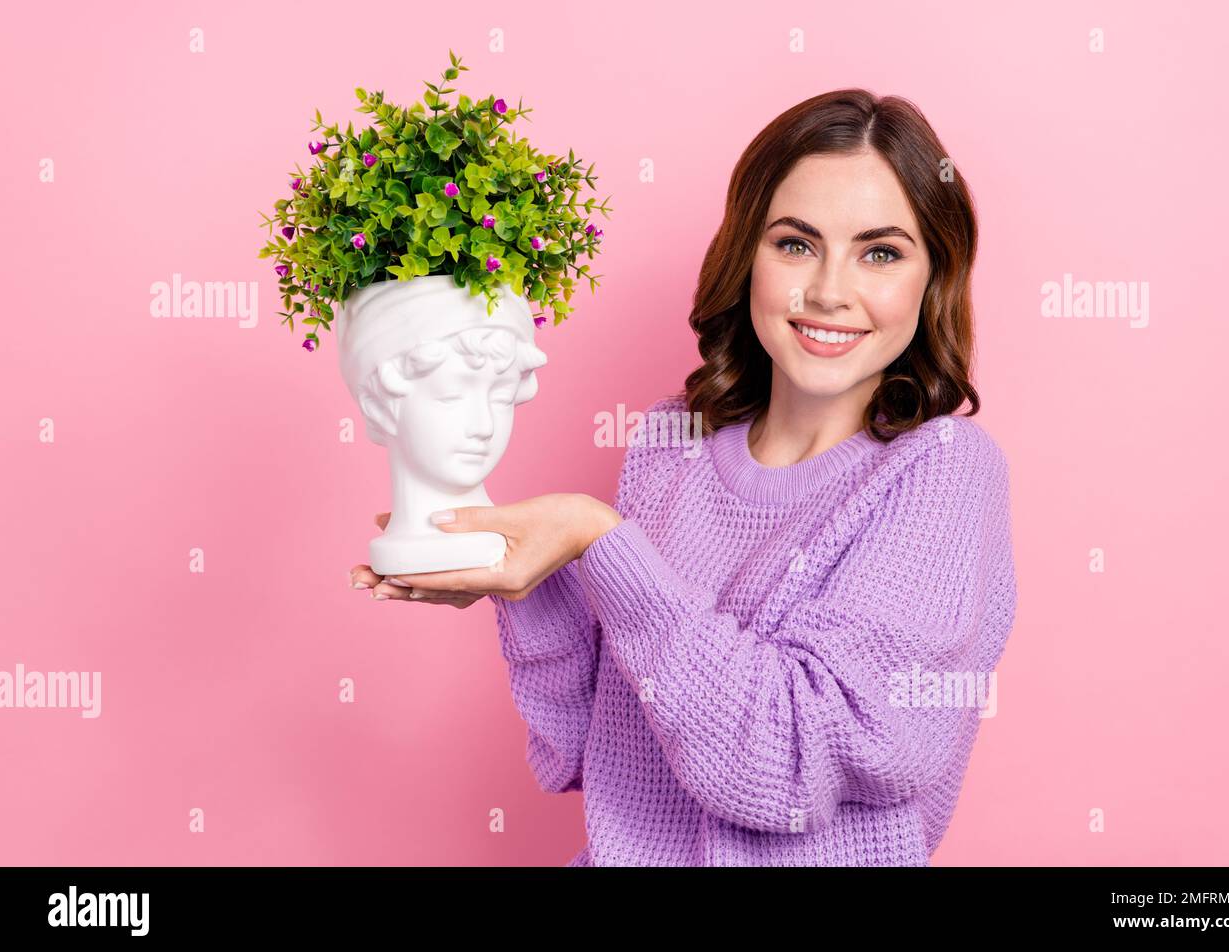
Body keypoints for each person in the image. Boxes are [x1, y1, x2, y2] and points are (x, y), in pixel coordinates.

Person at [349, 88, 1018, 866]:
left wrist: (594, 537)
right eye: (796, 244)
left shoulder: (941, 473)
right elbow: (587, 747)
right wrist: (530, 578)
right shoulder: (674, 441)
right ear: (748, 253)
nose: (831, 290)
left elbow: (786, 760)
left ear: (933, 274)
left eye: (881, 252)